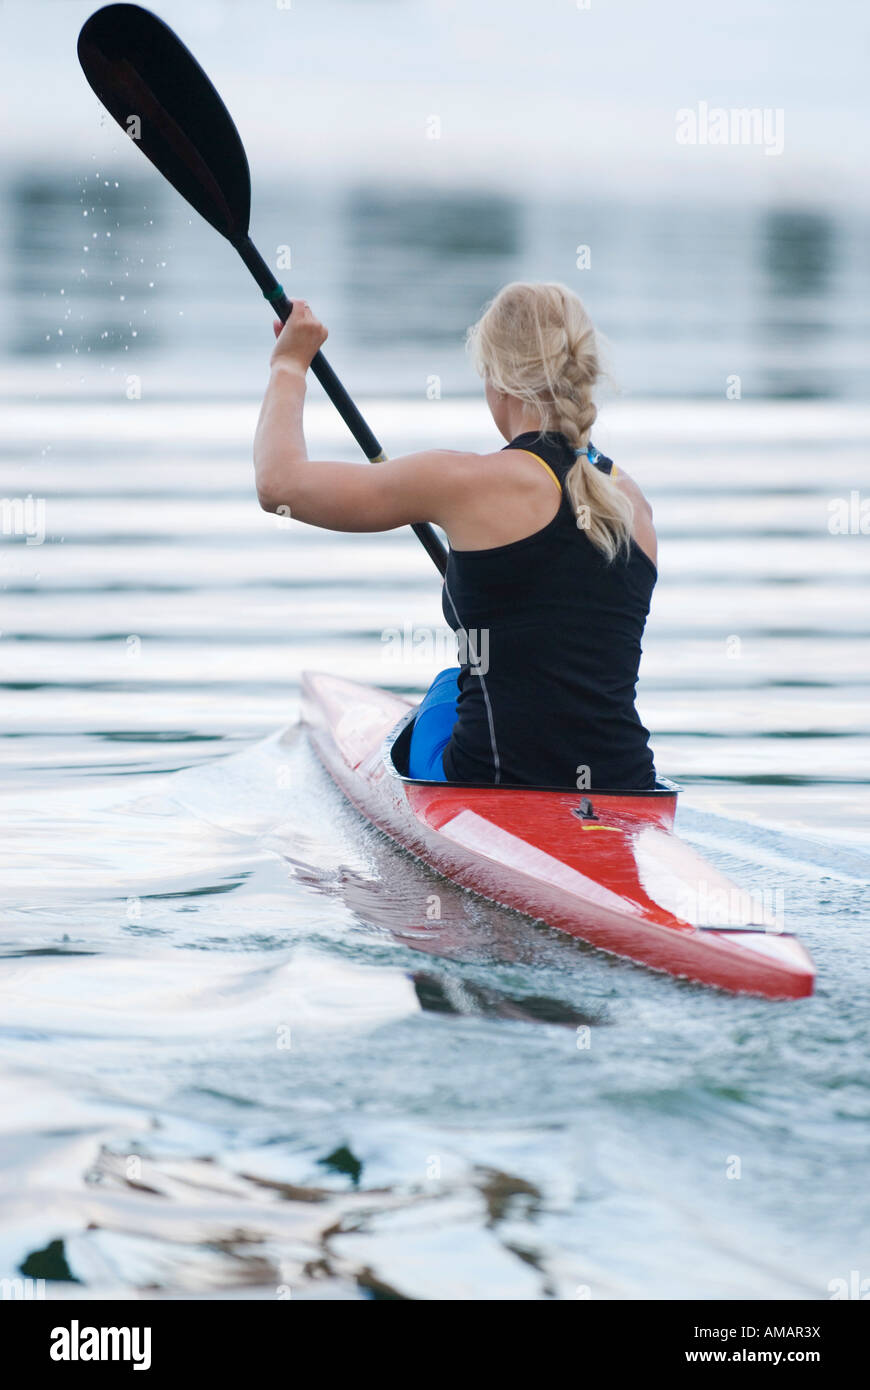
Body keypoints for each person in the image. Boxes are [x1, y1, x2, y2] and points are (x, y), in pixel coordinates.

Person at [254, 282, 657, 789]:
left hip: (493, 779)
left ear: (498, 378)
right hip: (630, 782)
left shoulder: (465, 481)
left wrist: (289, 365)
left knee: (450, 685)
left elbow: (279, 486)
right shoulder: (633, 503)